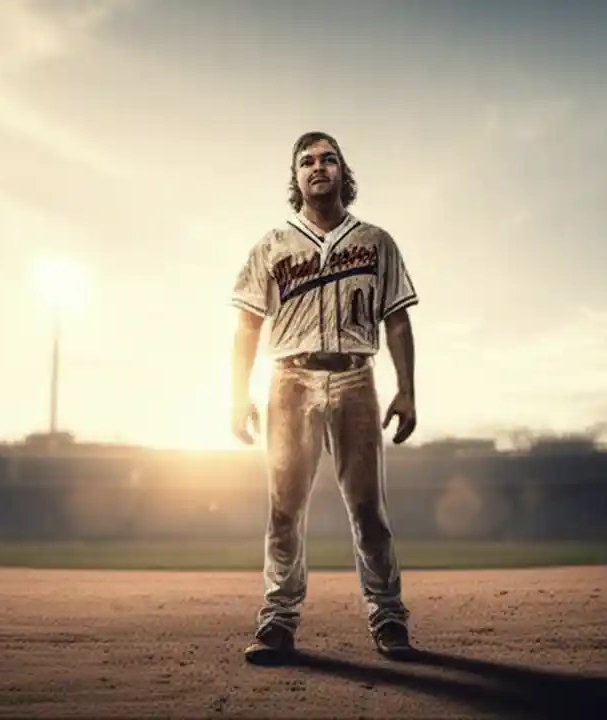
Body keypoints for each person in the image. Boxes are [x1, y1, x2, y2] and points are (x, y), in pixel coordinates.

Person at [229, 130, 420, 665]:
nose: (318, 167)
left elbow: (398, 321)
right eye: (307, 161)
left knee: (367, 508)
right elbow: (246, 326)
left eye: (328, 159)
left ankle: (388, 616)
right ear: (295, 178)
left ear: (343, 172)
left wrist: (406, 389)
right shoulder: (272, 244)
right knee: (284, 507)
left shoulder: (376, 241)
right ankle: (278, 620)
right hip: (289, 380)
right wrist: (237, 393)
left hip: (357, 377)